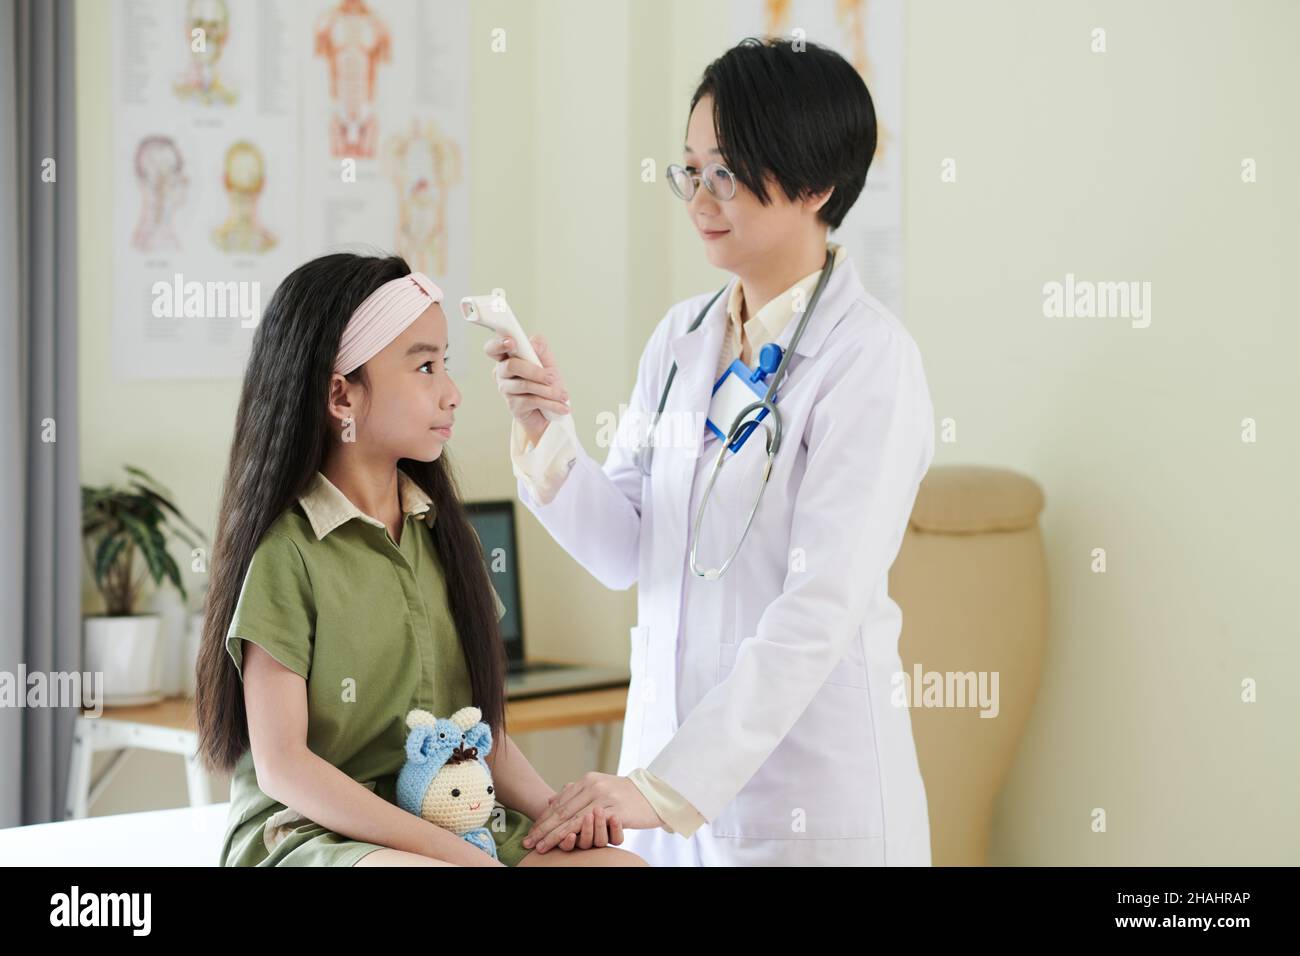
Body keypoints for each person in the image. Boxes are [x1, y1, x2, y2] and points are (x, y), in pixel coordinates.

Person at [487, 38, 936, 866]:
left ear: (814, 184)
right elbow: (628, 549)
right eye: (689, 170)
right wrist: (548, 436)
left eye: (726, 172)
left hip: (806, 805)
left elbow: (819, 610)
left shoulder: (870, 361)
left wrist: (664, 788)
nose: (699, 196)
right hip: (665, 798)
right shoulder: (681, 339)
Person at [195, 252, 645, 867]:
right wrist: (450, 853)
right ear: (340, 394)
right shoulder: (288, 555)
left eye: (446, 364)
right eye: (426, 366)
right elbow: (284, 768)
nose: (453, 394)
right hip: (314, 832)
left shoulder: (445, 540)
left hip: (450, 818)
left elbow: (482, 732)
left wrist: (555, 815)